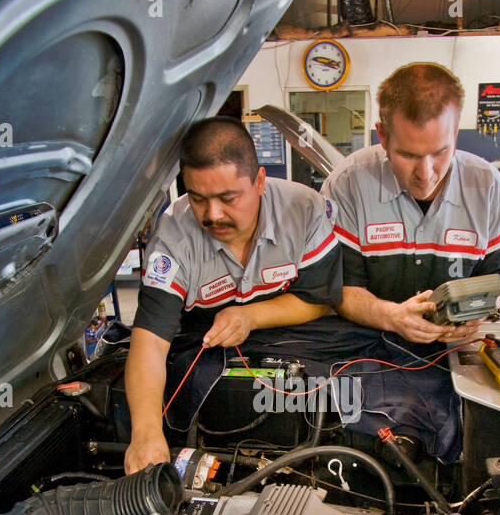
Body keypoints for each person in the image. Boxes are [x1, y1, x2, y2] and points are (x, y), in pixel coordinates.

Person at [320, 62, 500, 461]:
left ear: (457, 130)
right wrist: (391, 316)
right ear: (382, 135)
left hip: (455, 362)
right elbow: (338, 290)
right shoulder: (347, 185)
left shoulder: (489, 190)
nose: (426, 174)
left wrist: (476, 316)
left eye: (440, 152)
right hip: (369, 353)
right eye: (408, 155)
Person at [124, 117, 341, 473]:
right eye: (197, 199)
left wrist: (250, 316)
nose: (212, 214)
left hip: (293, 339)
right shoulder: (174, 237)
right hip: (204, 346)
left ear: (259, 182)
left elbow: (319, 300)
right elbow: (150, 339)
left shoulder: (304, 210)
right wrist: (146, 430)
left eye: (228, 198)